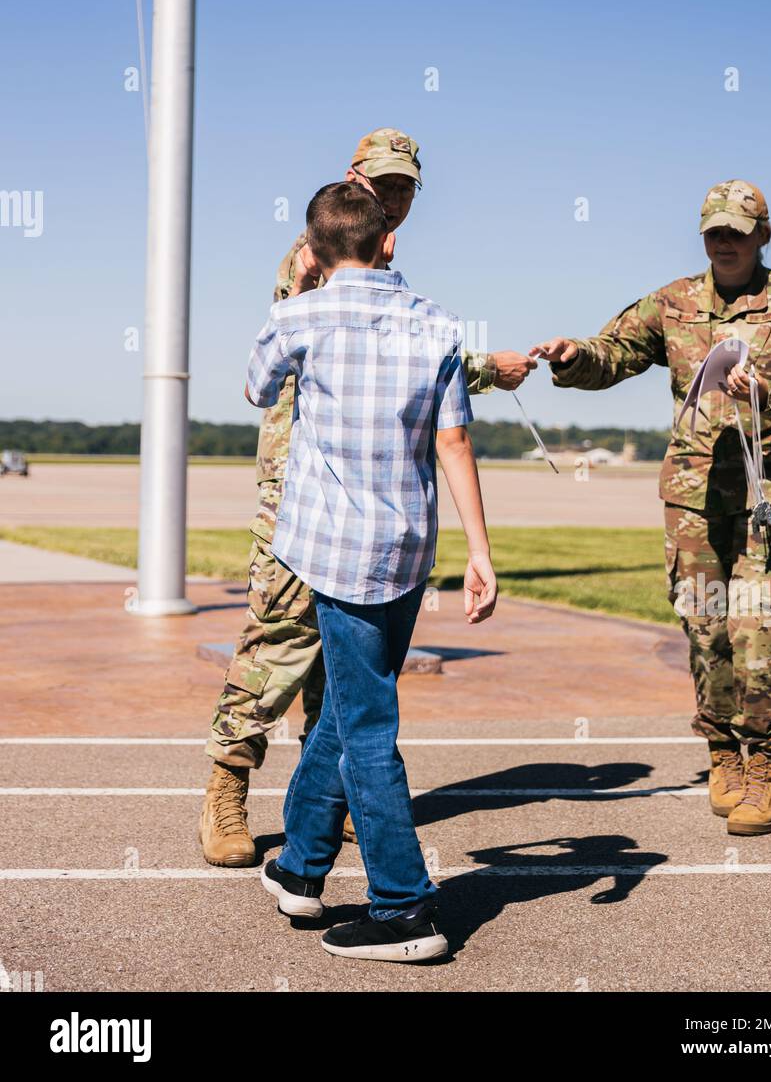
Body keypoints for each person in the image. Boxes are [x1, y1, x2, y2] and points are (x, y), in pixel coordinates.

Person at [199, 129, 533, 867]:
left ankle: (335, 796)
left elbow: (404, 367)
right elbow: (334, 349)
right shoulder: (318, 251)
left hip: (375, 494)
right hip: (303, 487)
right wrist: (479, 365)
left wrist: (475, 369)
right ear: (352, 178)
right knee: (279, 638)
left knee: (346, 661)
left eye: (406, 187)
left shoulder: (386, 269)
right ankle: (228, 781)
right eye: (382, 182)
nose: (393, 195)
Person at [532, 180, 771, 834]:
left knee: (760, 632)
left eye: (737, 230)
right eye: (714, 231)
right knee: (707, 631)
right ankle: (722, 753)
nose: (725, 242)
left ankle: (764, 766)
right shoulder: (673, 303)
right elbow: (615, 352)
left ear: (763, 235)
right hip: (695, 502)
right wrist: (572, 358)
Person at [249, 180, 496, 962]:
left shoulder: (299, 316)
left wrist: (294, 292)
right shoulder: (439, 325)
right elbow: (454, 443)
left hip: (337, 552)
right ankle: (299, 868)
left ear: (317, 251)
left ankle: (404, 909)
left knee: (366, 728)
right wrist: (480, 550)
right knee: (351, 708)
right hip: (408, 550)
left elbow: (255, 388)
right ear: (388, 240)